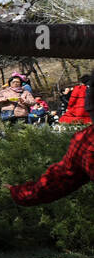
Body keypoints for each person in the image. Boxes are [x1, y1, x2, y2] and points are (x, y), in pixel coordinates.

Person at [9, 75, 94, 204]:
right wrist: (22, 193)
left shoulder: (86, 139)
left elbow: (62, 177)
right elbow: (61, 177)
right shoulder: (85, 139)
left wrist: (21, 193)